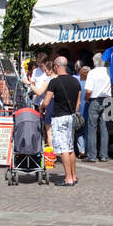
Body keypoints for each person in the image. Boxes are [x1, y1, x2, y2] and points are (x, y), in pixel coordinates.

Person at [42, 56, 82, 186]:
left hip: (59, 117)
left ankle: (68, 178)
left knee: (64, 148)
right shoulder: (76, 81)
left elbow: (46, 102)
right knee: (70, 148)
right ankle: (74, 176)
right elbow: (78, 104)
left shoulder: (54, 82)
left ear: (56, 66)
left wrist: (41, 105)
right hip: (71, 117)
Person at [84, 54, 112, 163]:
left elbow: (89, 91)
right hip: (108, 100)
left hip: (95, 100)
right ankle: (104, 155)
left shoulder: (92, 72)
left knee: (92, 128)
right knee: (105, 128)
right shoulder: (108, 71)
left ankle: (92, 155)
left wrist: (86, 99)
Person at [76, 66, 89, 158]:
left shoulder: (78, 84)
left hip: (79, 110)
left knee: (79, 131)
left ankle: (82, 150)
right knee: (87, 130)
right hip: (88, 109)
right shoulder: (90, 84)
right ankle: (88, 149)